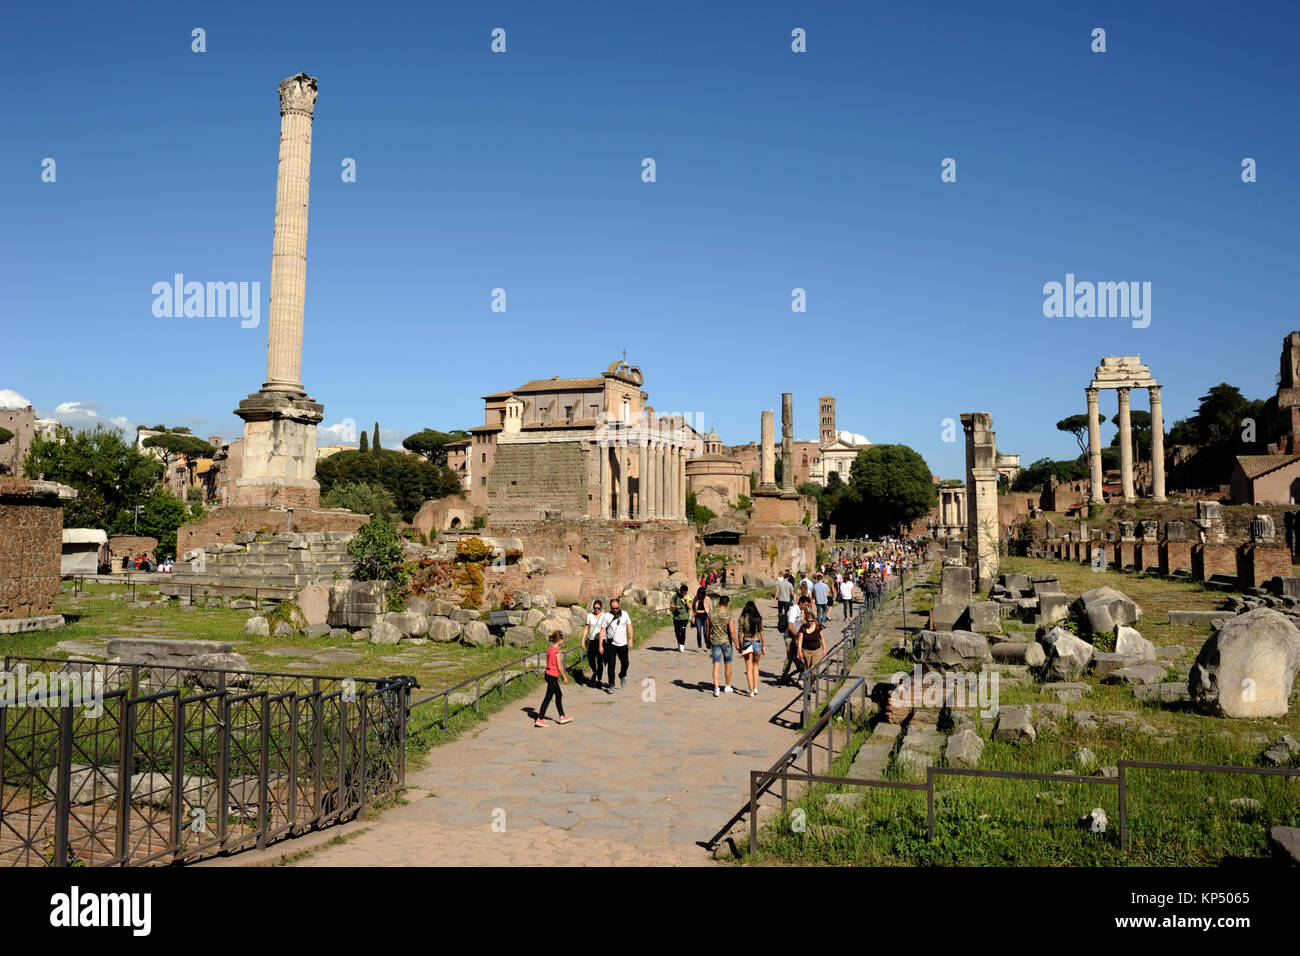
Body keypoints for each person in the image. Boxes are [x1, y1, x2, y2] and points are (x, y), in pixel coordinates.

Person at [535, 631, 572, 727]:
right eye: (562, 638)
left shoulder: (550, 649)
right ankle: (540, 718)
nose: (563, 640)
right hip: (552, 676)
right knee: (548, 697)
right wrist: (564, 677)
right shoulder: (557, 652)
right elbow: (559, 666)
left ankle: (562, 716)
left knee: (558, 694)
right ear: (559, 640)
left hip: (548, 674)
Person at [708, 595, 739, 697]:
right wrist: (737, 644)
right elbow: (732, 631)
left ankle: (716, 688)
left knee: (716, 665)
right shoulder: (729, 614)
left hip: (715, 641)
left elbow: (708, 628)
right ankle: (727, 686)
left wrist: (707, 640)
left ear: (719, 602)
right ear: (728, 603)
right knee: (727, 664)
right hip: (726, 642)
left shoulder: (711, 613)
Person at [602, 597, 634, 692]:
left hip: (623, 644)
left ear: (619, 606)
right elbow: (602, 630)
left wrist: (631, 639)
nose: (615, 610)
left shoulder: (625, 614)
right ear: (610, 607)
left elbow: (629, 626)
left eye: (617, 608)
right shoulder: (606, 616)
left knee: (625, 663)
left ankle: (622, 675)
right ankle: (611, 685)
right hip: (611, 644)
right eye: (613, 608)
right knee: (611, 665)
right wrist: (600, 645)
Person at [737, 600, 764, 697]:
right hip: (756, 641)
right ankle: (756, 687)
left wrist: (739, 645)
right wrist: (763, 645)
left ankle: (751, 691)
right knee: (756, 666)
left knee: (749, 668)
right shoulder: (758, 618)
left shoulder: (742, 618)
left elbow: (740, 632)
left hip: (747, 641)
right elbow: (761, 632)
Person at [779, 596, 807, 685]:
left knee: (794, 656)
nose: (806, 606)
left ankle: (796, 672)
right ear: (801, 603)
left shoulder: (800, 610)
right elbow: (790, 626)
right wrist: (796, 635)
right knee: (790, 656)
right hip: (790, 637)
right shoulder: (794, 610)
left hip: (795, 636)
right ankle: (784, 675)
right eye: (805, 605)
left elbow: (801, 622)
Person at [796, 610, 827, 688]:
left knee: (813, 668)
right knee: (808, 668)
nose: (810, 623)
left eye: (812, 621)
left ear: (814, 620)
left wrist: (824, 650)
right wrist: (799, 651)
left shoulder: (818, 627)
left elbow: (822, 638)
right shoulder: (803, 628)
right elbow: (800, 640)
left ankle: (813, 684)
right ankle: (810, 683)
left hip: (816, 651)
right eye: (808, 621)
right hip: (806, 651)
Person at [583, 599, 610, 687]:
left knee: (600, 661)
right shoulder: (589, 616)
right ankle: (594, 671)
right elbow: (586, 628)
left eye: (598, 608)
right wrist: (583, 641)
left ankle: (599, 679)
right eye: (595, 608)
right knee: (590, 659)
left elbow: (608, 628)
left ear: (601, 608)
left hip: (601, 641)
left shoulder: (604, 616)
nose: (596, 610)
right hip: (591, 641)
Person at [670, 584, 691, 652]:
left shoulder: (687, 597)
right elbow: (671, 605)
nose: (684, 594)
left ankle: (682, 645)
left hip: (684, 618)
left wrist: (686, 601)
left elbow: (690, 607)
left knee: (683, 631)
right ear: (680, 591)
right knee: (677, 632)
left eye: (685, 593)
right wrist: (676, 607)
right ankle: (679, 642)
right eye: (683, 592)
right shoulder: (675, 596)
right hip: (676, 618)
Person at [691, 586, 710, 650]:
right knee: (699, 631)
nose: (700, 595)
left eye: (702, 593)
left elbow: (710, 609)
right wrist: (693, 617)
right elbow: (693, 609)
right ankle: (699, 646)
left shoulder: (707, 598)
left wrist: (703, 611)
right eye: (699, 593)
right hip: (698, 617)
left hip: (705, 617)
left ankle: (707, 644)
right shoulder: (696, 599)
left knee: (705, 632)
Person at [775, 572, 794, 636]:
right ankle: (785, 624)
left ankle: (780, 623)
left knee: (780, 611)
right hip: (787, 600)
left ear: (783, 577)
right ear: (788, 578)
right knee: (787, 612)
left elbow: (777, 591)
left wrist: (775, 597)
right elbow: (792, 592)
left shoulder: (779, 583)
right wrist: (793, 599)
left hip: (780, 599)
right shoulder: (789, 584)